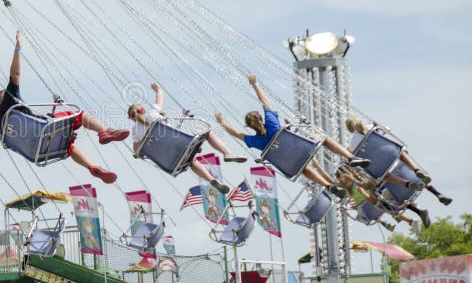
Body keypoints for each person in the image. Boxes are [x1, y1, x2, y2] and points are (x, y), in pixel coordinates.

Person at [0, 30, 129, 184]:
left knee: (69, 146)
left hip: (39, 151)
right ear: (5, 98)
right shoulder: (10, 99)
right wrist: (18, 48)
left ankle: (91, 167)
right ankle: (103, 132)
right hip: (44, 129)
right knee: (80, 115)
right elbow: (15, 75)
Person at [215, 74, 371, 199]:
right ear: (261, 119)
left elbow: (236, 134)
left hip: (290, 164)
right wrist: (255, 85)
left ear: (249, 127)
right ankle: (350, 157)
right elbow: (264, 101)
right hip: (302, 148)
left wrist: (222, 123)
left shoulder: (254, 141)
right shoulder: (271, 122)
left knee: (302, 168)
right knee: (322, 136)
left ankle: (328, 186)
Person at [127, 83, 245, 194]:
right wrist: (158, 89)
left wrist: (140, 154)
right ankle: (227, 153)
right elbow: (160, 96)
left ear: (131, 118)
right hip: (181, 144)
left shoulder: (135, 131)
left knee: (190, 161)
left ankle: (211, 180)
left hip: (169, 160)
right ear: (143, 110)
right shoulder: (152, 113)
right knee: (207, 132)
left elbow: (136, 150)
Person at [346, 116, 451, 206]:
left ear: (349, 129)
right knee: (401, 154)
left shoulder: (353, 144)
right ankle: (417, 171)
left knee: (383, 175)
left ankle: (406, 183)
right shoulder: (370, 127)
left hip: (379, 167)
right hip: (391, 155)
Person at [336, 165, 429, 229]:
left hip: (375, 203)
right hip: (375, 202)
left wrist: (354, 181)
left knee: (389, 205)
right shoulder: (352, 187)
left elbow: (369, 186)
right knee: (390, 204)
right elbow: (369, 187)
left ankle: (411, 218)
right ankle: (413, 214)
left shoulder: (355, 183)